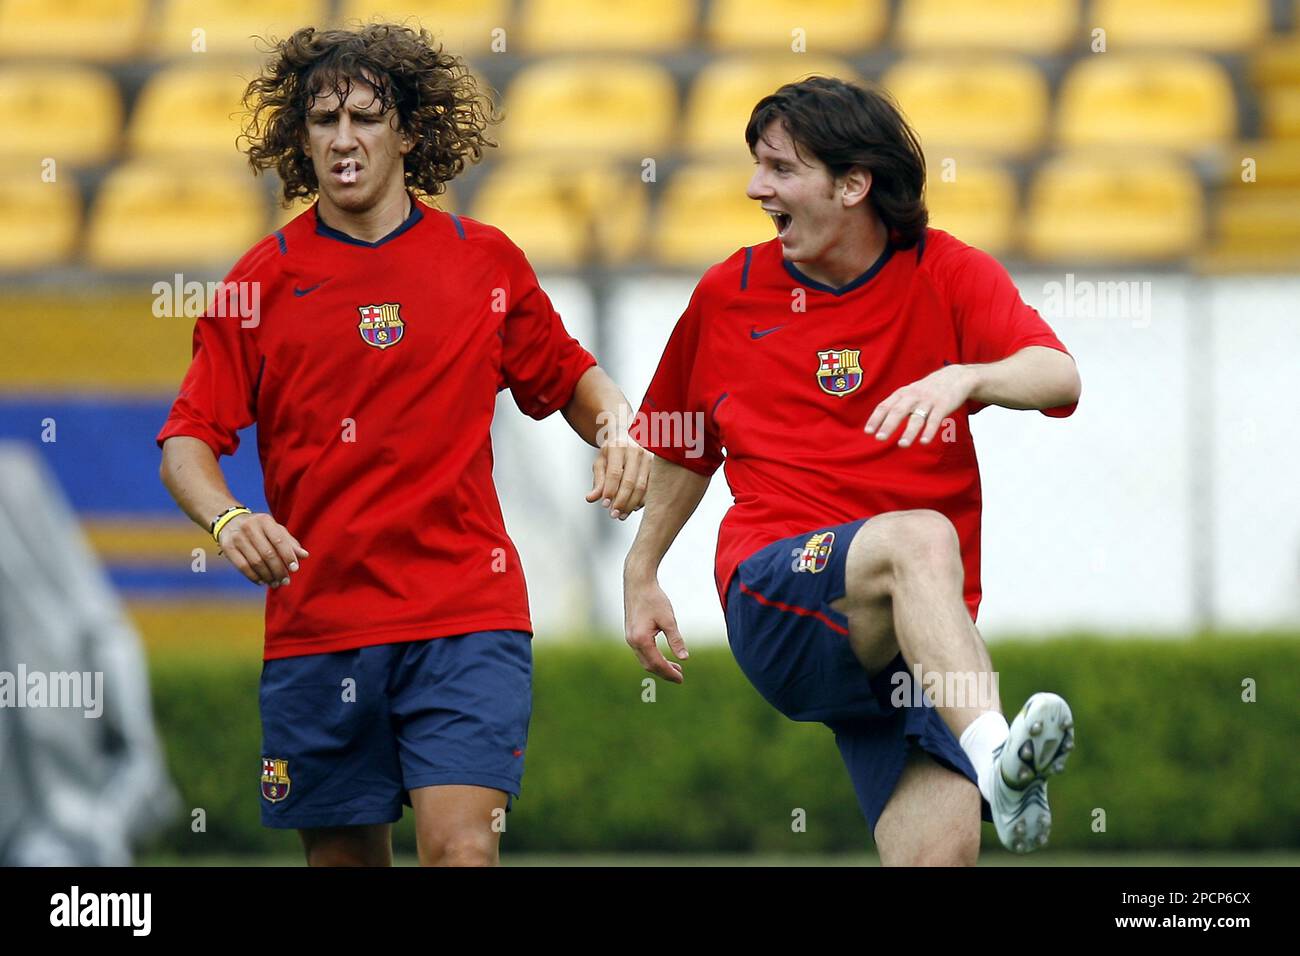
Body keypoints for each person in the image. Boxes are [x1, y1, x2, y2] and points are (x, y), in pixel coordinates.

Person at [157, 23, 652, 867]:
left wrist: (616, 425)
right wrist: (228, 518)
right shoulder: (260, 282)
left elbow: (569, 377)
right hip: (320, 626)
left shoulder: (484, 263)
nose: (343, 138)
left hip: (465, 615)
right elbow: (187, 442)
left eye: (365, 117)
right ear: (300, 138)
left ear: (410, 132)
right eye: (323, 120)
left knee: (462, 850)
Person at [623, 76, 1080, 864]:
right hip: (779, 592)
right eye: (756, 166)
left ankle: (995, 762)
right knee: (918, 538)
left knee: (941, 858)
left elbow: (1058, 376)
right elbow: (685, 441)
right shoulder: (727, 293)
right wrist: (643, 570)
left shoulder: (945, 271)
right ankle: (1001, 755)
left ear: (852, 183)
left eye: (779, 169)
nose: (754, 187)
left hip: (916, 643)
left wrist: (969, 377)